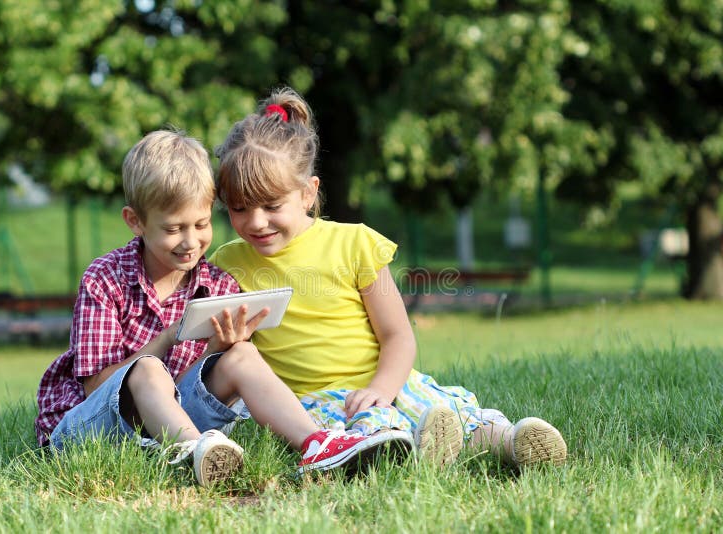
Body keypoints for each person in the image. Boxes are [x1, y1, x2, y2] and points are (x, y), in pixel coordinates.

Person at [209, 88, 568, 469]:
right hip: (310, 401)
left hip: (384, 382)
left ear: (307, 194)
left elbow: (397, 334)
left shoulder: (354, 244)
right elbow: (223, 358)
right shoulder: (229, 262)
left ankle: (512, 443)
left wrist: (382, 388)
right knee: (376, 433)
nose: (256, 221)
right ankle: (424, 450)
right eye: (239, 208)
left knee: (442, 411)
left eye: (271, 205)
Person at [34, 129, 413, 487]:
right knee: (148, 369)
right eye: (173, 229)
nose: (190, 241)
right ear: (136, 222)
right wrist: (168, 338)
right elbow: (96, 387)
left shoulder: (218, 284)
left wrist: (219, 349)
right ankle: (197, 452)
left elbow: (199, 382)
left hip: (181, 423)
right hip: (97, 429)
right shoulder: (104, 280)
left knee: (243, 354)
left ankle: (316, 445)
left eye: (201, 224)